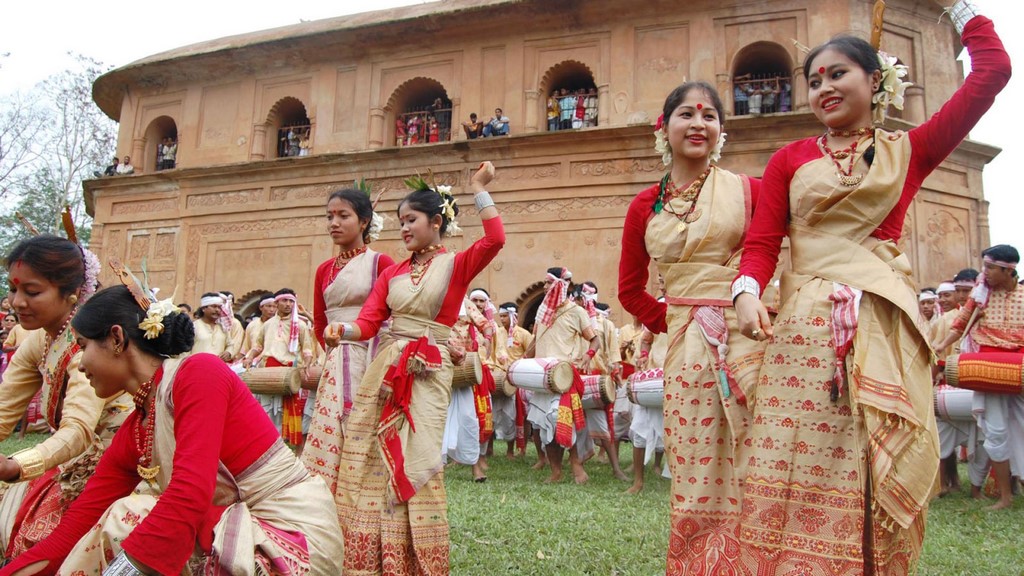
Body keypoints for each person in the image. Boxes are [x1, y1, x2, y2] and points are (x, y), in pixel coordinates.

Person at [732, 2, 1009, 571]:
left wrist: (957, 7)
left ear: (875, 81)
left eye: (838, 74)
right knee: (792, 454)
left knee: (867, 455)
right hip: (803, 331)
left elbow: (993, 72)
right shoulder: (790, 159)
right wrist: (746, 291)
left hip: (879, 324)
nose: (824, 88)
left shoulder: (907, 153)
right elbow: (763, 242)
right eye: (814, 81)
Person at [0, 284, 344, 575]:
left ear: (117, 339)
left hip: (291, 538)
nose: (81, 364)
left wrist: (119, 572)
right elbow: (75, 527)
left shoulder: (199, 374)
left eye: (83, 347)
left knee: (130, 516)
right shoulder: (138, 427)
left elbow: (189, 494)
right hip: (229, 530)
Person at [325, 161, 504, 574]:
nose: (403, 229)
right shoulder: (393, 273)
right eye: (401, 221)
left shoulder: (456, 265)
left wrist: (478, 187)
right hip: (387, 368)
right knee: (372, 453)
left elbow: (495, 239)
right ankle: (370, 553)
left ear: (436, 221)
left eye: (412, 220)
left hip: (428, 367)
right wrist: (344, 330)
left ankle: (415, 556)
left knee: (417, 455)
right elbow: (370, 321)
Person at [617, 80, 764, 573]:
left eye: (709, 115)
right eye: (686, 113)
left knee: (757, 451)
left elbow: (773, 252)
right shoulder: (644, 206)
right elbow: (630, 290)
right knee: (697, 460)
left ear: (721, 129)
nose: (698, 123)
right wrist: (681, 319)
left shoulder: (749, 191)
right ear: (665, 127)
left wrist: (739, 304)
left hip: (749, 335)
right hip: (684, 346)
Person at [0, 235, 133, 563]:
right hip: (70, 461)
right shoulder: (41, 340)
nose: (16, 302)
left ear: (72, 294)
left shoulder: (88, 344)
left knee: (39, 546)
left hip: (117, 464)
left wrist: (18, 466)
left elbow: (79, 429)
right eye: (13, 289)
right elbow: (4, 408)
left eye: (32, 292)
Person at [303, 188, 393, 523]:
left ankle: (364, 499)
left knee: (364, 424)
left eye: (343, 216)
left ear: (364, 221)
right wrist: (330, 347)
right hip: (336, 356)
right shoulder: (324, 269)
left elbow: (393, 311)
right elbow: (320, 319)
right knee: (332, 424)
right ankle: (327, 501)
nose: (334, 223)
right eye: (329, 216)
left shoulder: (380, 263)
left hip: (371, 353)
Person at [933, 245, 1024, 510]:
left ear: (1009, 270)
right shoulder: (980, 295)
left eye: (990, 268)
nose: (985, 273)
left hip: (1019, 370)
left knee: (1020, 428)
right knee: (995, 431)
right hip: (987, 370)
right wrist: (940, 346)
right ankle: (1005, 498)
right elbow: (959, 325)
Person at [526, 266, 600, 484]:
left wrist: (588, 355)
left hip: (564, 376)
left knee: (562, 419)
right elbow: (535, 342)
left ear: (560, 285)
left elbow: (595, 339)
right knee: (542, 424)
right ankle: (556, 470)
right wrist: (521, 361)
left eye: (548, 283)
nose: (545, 286)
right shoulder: (543, 312)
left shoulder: (576, 312)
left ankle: (576, 463)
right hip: (542, 376)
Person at [244, 289, 314, 447]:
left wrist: (308, 362)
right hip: (268, 369)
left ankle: (283, 446)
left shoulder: (300, 325)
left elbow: (307, 349)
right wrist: (249, 357)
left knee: (284, 410)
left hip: (289, 371)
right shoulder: (267, 325)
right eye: (285, 301)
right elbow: (258, 346)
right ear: (277, 303)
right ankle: (267, 443)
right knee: (267, 409)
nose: (288, 304)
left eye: (291, 301)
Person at [190, 292, 240, 360]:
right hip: (197, 366)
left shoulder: (223, 327)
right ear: (203, 308)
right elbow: (186, 350)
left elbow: (230, 345)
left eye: (219, 307)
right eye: (214, 306)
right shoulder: (193, 326)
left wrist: (228, 352)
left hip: (217, 367)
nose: (217, 310)